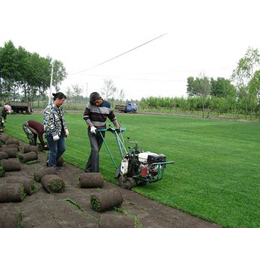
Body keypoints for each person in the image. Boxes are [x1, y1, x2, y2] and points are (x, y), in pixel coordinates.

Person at [83, 92, 120, 172]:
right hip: (92, 131)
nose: (96, 104)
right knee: (95, 150)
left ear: (100, 98)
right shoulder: (90, 104)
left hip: (102, 131)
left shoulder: (107, 105)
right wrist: (91, 126)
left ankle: (87, 168)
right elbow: (85, 116)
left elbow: (112, 117)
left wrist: (117, 125)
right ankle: (95, 172)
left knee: (95, 151)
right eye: (94, 103)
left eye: (97, 102)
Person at [43, 92, 69, 167]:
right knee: (53, 151)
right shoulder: (48, 109)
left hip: (60, 132)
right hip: (51, 134)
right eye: (62, 101)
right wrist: (54, 134)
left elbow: (62, 119)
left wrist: (65, 128)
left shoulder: (60, 108)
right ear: (57, 99)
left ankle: (50, 160)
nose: (62, 103)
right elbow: (49, 123)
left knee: (62, 148)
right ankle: (51, 167)